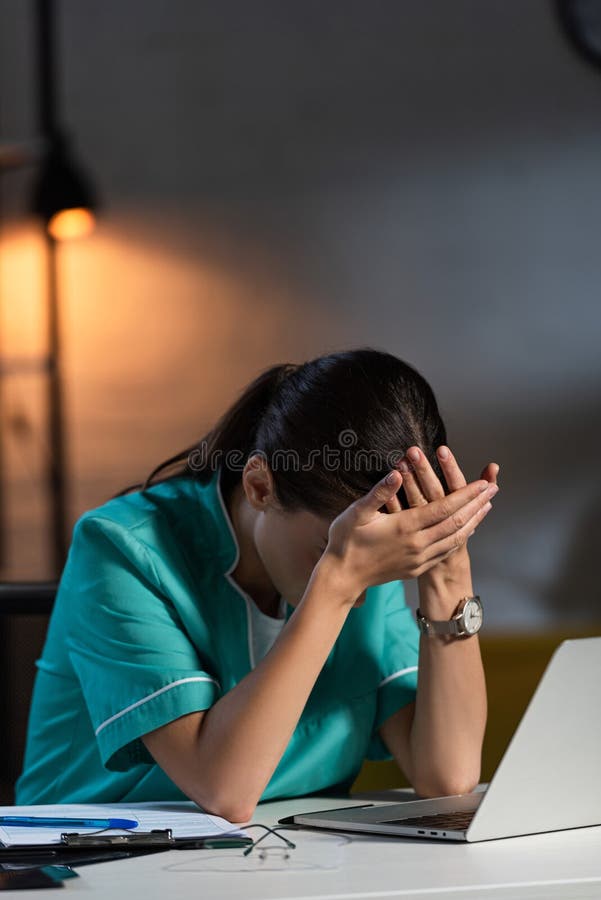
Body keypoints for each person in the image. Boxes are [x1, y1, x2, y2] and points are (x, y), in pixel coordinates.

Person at [16, 347, 499, 822]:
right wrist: (336, 579)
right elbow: (224, 791)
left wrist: (448, 565)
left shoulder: (368, 549)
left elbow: (447, 778)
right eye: (328, 548)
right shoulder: (119, 548)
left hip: (283, 863)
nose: (370, 581)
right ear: (260, 487)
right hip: (90, 859)